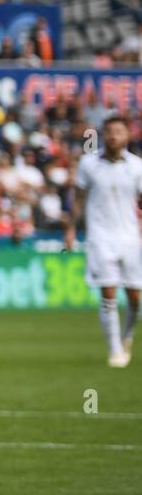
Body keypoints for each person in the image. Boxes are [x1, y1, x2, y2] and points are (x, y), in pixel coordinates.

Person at [64, 116, 142, 367]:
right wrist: (71, 229)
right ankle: (115, 349)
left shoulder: (137, 166)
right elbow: (78, 199)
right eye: (109, 131)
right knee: (108, 292)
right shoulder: (88, 164)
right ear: (103, 134)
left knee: (135, 298)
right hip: (99, 237)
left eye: (119, 131)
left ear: (127, 135)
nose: (113, 136)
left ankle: (127, 335)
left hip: (130, 237)